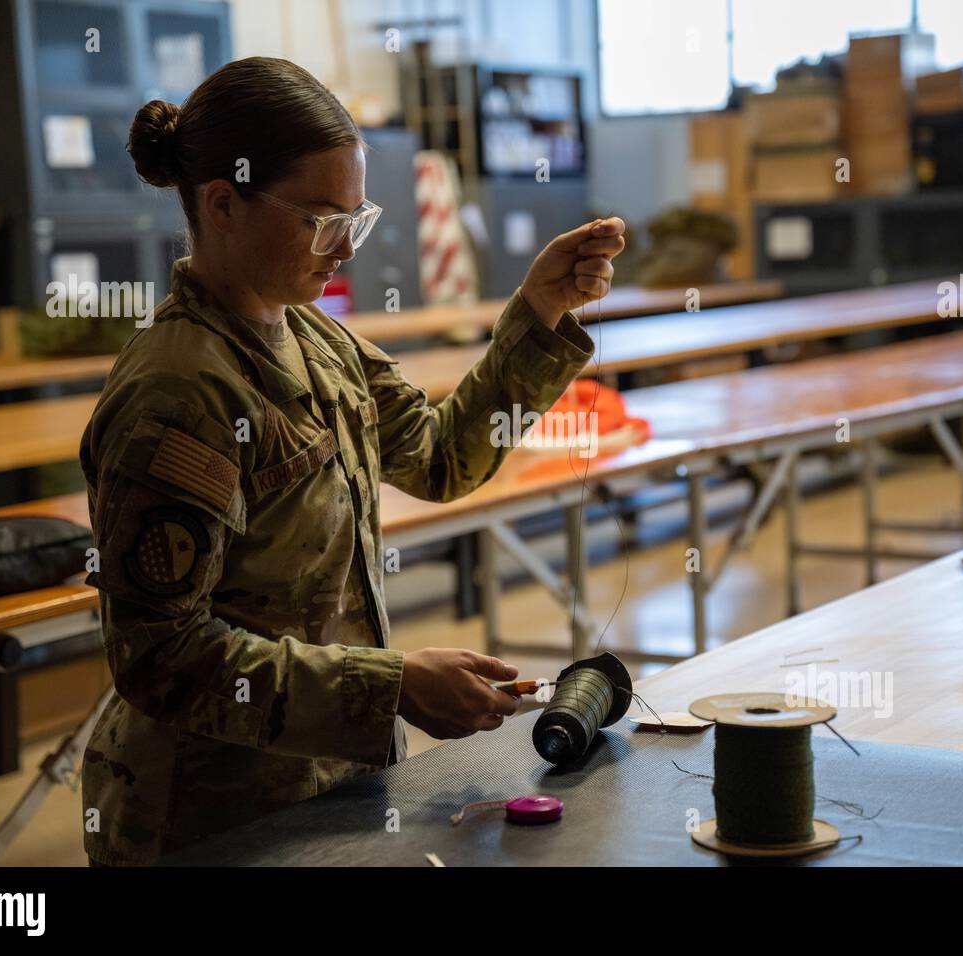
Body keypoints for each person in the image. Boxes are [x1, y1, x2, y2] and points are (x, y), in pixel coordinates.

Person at [79, 57, 625, 865]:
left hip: (329, 784)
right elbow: (161, 656)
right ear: (223, 204)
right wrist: (392, 685)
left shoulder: (315, 341)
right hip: (207, 817)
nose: (344, 249)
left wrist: (539, 311)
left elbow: (442, 459)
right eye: (321, 220)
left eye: (355, 218)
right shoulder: (182, 391)